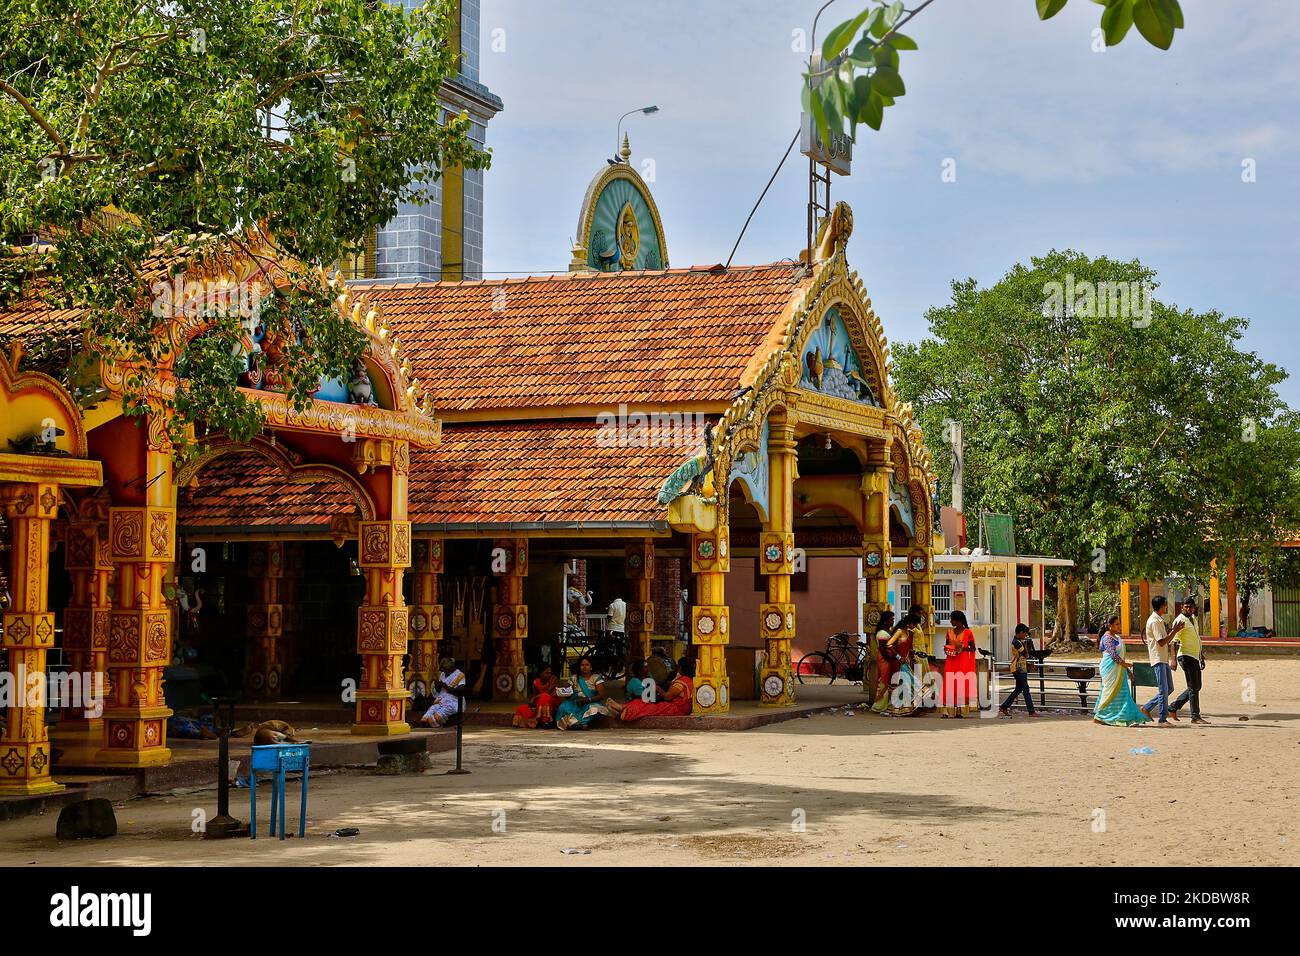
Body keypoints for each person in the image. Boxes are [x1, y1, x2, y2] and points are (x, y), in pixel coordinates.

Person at [1093, 614, 1150, 726]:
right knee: (1109, 692)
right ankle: (1101, 716)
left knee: (1123, 694)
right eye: (1117, 624)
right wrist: (1125, 664)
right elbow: (1113, 655)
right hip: (1110, 669)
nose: (1119, 626)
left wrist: (1127, 670)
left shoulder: (1117, 637)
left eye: (1119, 624)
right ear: (1110, 626)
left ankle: (1121, 716)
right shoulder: (1107, 638)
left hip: (1120, 669)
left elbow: (1120, 656)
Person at [609, 657, 694, 721]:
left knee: (649, 706)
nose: (647, 669)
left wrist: (658, 690)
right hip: (644, 700)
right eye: (645, 667)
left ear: (680, 668)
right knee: (643, 703)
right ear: (639, 669)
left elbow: (668, 697)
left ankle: (624, 709)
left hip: (677, 708)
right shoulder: (636, 681)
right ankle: (623, 708)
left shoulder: (682, 681)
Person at [873, 609, 922, 714]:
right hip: (889, 660)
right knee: (889, 682)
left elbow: (908, 648)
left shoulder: (908, 632)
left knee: (906, 682)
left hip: (901, 660)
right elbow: (888, 646)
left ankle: (904, 707)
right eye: (891, 619)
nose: (892, 621)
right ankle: (886, 706)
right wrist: (897, 658)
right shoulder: (896, 632)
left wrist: (913, 657)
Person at [1139, 596, 1179, 727]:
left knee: (1169, 688)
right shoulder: (1154, 621)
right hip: (1158, 658)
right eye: (1165, 605)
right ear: (1162, 606)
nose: (1166, 607)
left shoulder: (1159, 620)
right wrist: (1175, 631)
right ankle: (1162, 719)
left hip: (1163, 658)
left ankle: (1147, 708)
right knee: (1163, 689)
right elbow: (1161, 642)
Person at [1169, 597, 1208, 724]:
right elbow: (1173, 642)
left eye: (1190, 607)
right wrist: (1173, 659)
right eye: (1186, 606)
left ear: (1194, 608)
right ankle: (1195, 716)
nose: (1188, 608)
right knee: (1193, 687)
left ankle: (1173, 707)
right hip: (1185, 656)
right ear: (1182, 607)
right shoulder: (1180, 620)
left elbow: (1197, 639)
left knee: (1197, 686)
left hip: (1194, 656)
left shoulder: (1193, 619)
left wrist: (1201, 655)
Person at [998, 624, 1042, 717]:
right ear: (1021, 632)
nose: (1025, 636)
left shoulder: (1017, 641)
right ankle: (1031, 711)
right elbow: (1025, 654)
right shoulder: (1017, 642)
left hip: (1019, 668)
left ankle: (1004, 706)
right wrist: (1026, 644)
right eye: (1025, 634)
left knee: (1018, 689)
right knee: (1026, 689)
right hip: (1019, 669)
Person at [554, 656, 609, 730]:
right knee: (563, 707)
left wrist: (587, 700)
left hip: (590, 702)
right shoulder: (574, 678)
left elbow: (601, 695)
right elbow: (567, 692)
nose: (584, 667)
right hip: (576, 703)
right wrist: (562, 691)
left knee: (594, 709)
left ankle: (582, 723)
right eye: (582, 665)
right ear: (579, 667)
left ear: (591, 667)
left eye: (587, 665)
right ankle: (573, 724)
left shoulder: (596, 678)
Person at [941, 610, 977, 718]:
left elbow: (973, 648)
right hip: (951, 660)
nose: (950, 621)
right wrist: (947, 650)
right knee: (949, 683)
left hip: (963, 661)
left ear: (958, 621)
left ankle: (959, 711)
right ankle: (947, 711)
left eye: (952, 619)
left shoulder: (968, 633)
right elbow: (947, 645)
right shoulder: (949, 632)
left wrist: (963, 648)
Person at [419, 657, 467, 727]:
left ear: (451, 668)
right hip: (441, 700)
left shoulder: (460, 675)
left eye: (445, 670)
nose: (444, 672)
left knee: (436, 717)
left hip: (454, 702)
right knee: (426, 717)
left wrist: (445, 686)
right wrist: (437, 686)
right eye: (443, 670)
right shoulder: (442, 674)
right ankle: (430, 725)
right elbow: (439, 691)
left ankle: (435, 726)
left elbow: (459, 692)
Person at [512, 664, 562, 728]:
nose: (549, 675)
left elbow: (548, 692)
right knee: (521, 708)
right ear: (540, 673)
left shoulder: (553, 679)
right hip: (540, 705)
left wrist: (534, 698)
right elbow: (534, 696)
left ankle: (546, 721)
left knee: (544, 696)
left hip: (553, 703)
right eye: (546, 673)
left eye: (550, 673)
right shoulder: (536, 682)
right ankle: (535, 722)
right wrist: (533, 703)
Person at [869, 611, 896, 710]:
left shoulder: (889, 631)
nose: (893, 621)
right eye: (891, 619)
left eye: (893, 619)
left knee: (889, 680)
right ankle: (879, 705)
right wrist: (889, 659)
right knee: (884, 680)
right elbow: (882, 649)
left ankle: (888, 704)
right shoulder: (882, 633)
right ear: (885, 621)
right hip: (884, 659)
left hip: (889, 658)